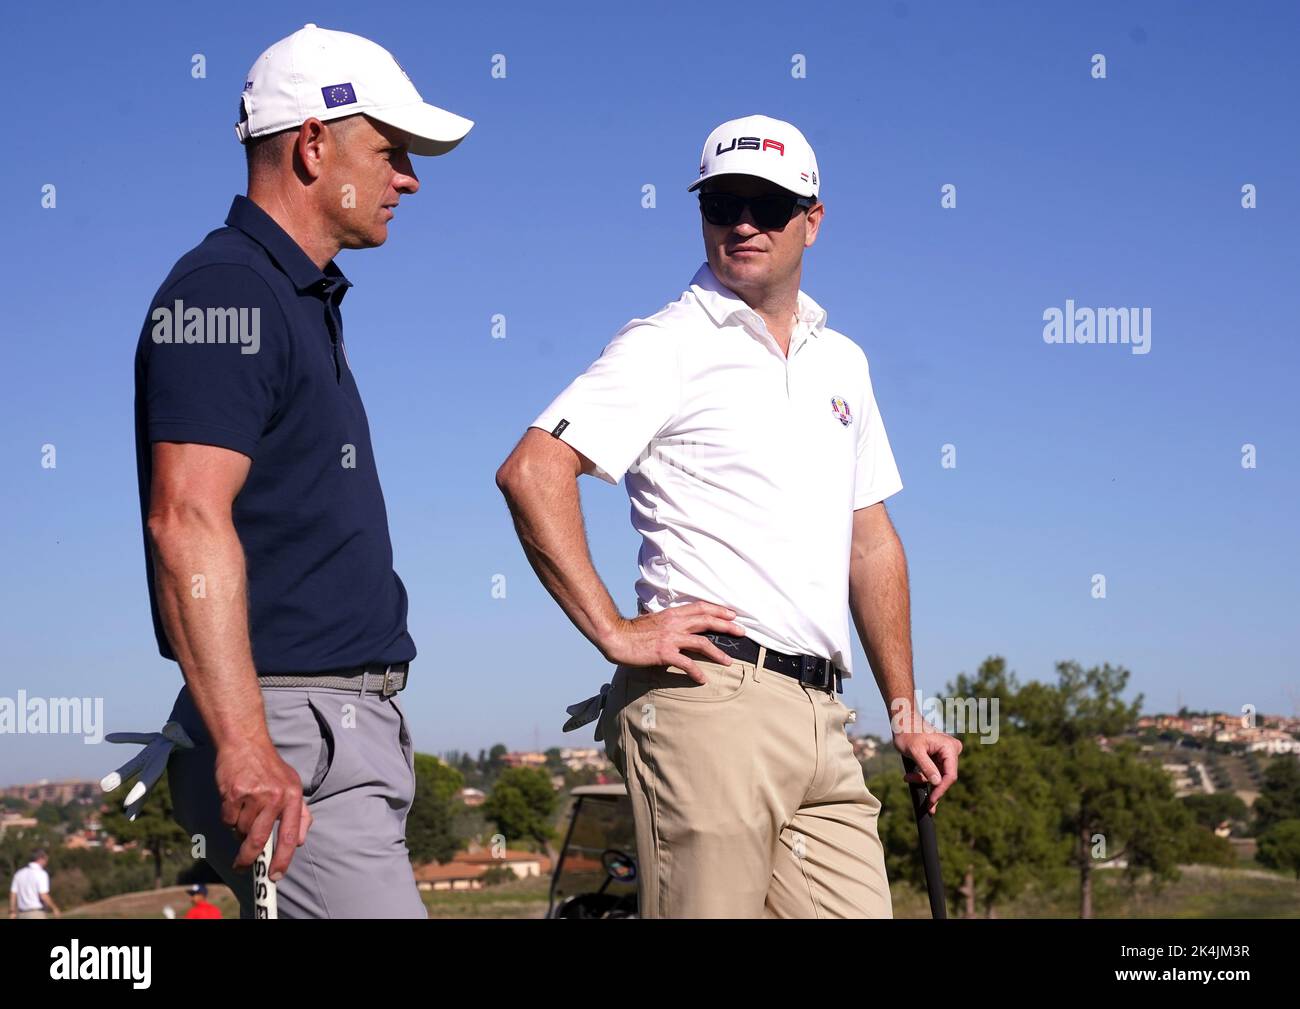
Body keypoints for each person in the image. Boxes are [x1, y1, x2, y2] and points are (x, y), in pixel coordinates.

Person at [497, 114, 962, 918]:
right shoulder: (666, 342)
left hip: (825, 719)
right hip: (706, 701)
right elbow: (533, 471)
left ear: (813, 221)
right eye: (723, 203)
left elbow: (871, 543)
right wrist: (614, 629)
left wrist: (905, 710)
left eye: (768, 205)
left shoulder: (842, 360)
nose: (743, 222)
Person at [133, 24, 472, 918]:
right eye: (391, 152)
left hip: (332, 735)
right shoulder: (224, 292)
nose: (410, 178)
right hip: (290, 733)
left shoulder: (291, 297)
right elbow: (184, 520)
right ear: (314, 145)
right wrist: (246, 742)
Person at [8, 849, 59, 919]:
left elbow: (13, 893)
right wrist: (54, 908)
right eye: (46, 859)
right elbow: (43, 895)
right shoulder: (41, 874)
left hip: (21, 914)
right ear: (41, 859)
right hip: (36, 913)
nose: (46, 862)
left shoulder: (19, 874)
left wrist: (12, 911)